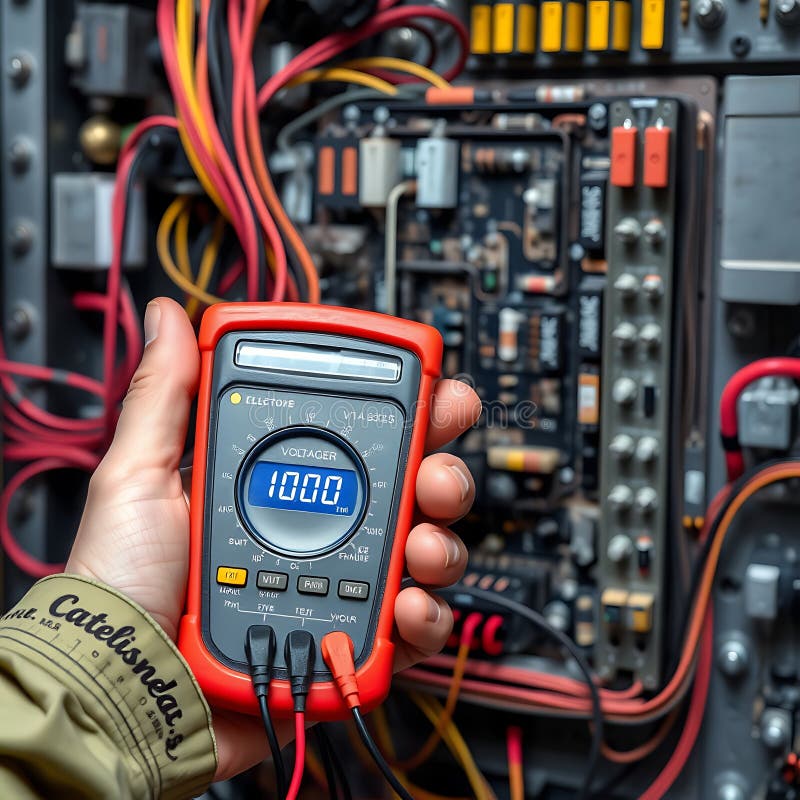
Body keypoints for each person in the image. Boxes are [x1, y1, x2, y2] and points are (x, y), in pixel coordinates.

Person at [0, 298, 481, 799]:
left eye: (323, 491)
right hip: (251, 669)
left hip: (263, 678)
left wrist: (117, 694)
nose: (306, 494)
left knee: (433, 514)